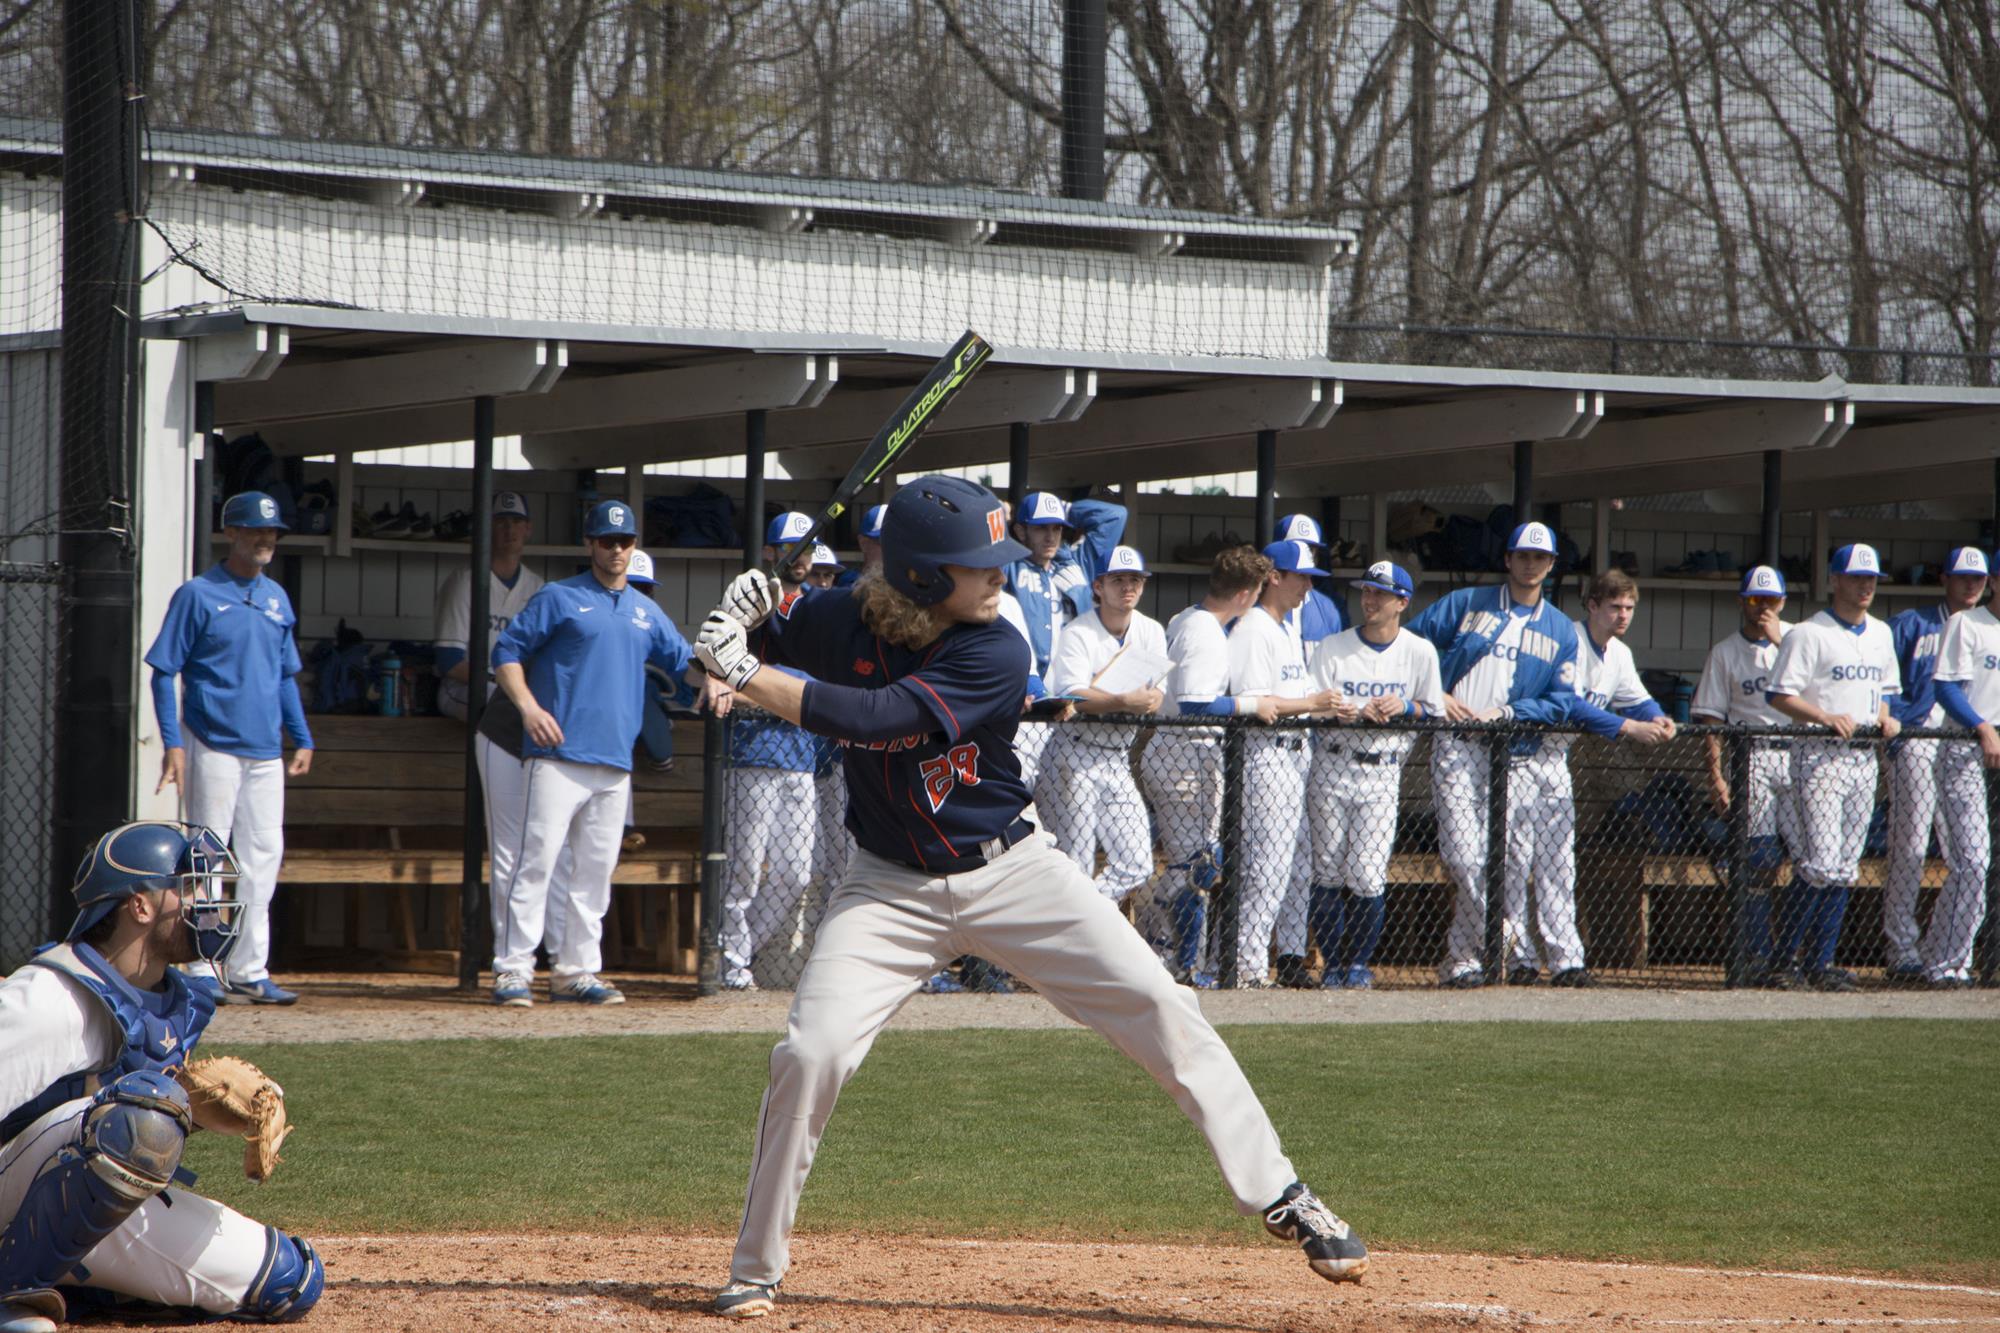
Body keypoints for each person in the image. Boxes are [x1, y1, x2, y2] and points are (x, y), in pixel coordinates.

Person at [692, 476, 1368, 1318]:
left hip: (1015, 871)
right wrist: (750, 610)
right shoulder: (846, 620)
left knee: (1160, 1000)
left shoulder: (997, 645)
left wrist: (745, 663)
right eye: (980, 566)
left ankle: (1281, 1190)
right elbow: (736, 652)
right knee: (808, 1054)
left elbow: (873, 718)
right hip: (887, 886)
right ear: (923, 578)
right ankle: (755, 1267)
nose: (1002, 576)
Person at [0, 822, 323, 1333]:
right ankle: (8, 1295)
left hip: (70, 1202)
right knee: (142, 1114)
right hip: (7, 1187)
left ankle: (71, 1279)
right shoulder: (51, 999)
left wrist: (194, 1109)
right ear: (141, 906)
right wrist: (158, 1107)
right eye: (187, 888)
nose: (202, 904)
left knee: (291, 1281)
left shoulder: (171, 999)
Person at [487, 499, 695, 1007]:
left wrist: (723, 678)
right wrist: (529, 708)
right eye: (607, 540)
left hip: (614, 763)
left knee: (594, 876)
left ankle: (575, 972)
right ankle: (513, 970)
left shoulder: (646, 610)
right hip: (557, 755)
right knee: (535, 865)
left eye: (625, 541)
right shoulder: (559, 596)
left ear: (635, 545)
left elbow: (688, 664)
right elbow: (506, 654)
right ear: (590, 544)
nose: (617, 549)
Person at [144, 490, 312, 1007]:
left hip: (264, 749)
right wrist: (172, 744)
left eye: (271, 532)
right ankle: (202, 964)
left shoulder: (276, 597)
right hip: (210, 740)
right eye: (255, 531)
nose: (265, 539)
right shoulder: (197, 593)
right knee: (208, 856)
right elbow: (163, 671)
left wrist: (301, 735)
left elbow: (286, 677)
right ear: (231, 534)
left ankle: (249, 967)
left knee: (264, 855)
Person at [1406, 522, 1581, 989]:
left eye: (1539, 557)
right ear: (1507, 559)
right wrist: (1435, 694)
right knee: (1464, 856)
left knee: (1504, 863)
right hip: (1458, 746)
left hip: (1516, 755)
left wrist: (1508, 711)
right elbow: (1410, 646)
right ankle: (1507, 934)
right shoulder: (1467, 603)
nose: (1530, 563)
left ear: (1550, 565)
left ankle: (1462, 961)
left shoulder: (1561, 629)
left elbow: (1561, 702)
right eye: (1522, 555)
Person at [1765, 543, 1903, 992]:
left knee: (1845, 865)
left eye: (1872, 578)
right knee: (1820, 862)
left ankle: (1821, 963)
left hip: (1864, 757)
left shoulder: (1881, 632)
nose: (1866, 585)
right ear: (1835, 580)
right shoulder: (1809, 632)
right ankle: (1785, 961)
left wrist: (1885, 714)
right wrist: (1823, 716)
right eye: (1857, 577)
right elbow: (1778, 694)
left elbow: (1886, 688)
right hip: (1820, 754)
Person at [1528, 570, 1676, 986]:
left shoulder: (1619, 653)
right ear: (1592, 605)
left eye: (1629, 608)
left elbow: (1638, 697)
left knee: (1558, 865)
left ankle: (1566, 963)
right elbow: (1570, 706)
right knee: (1514, 864)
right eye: (1614, 607)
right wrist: (1629, 728)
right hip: (1520, 756)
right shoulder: (1568, 638)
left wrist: (1659, 718)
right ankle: (1518, 960)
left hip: (1555, 761)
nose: (1623, 615)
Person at [1304, 561, 1444, 989]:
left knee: (1366, 874)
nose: (1369, 600)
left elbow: (1434, 712)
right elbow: (1310, 706)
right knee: (1326, 869)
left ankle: (1358, 963)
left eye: (1379, 594)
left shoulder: (1419, 651)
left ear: (1402, 602)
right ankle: (1333, 963)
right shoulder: (1333, 645)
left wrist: (1405, 707)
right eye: (1366, 592)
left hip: (1383, 770)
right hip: (1333, 760)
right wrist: (1336, 710)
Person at [1140, 545, 1272, 986]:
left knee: (1193, 865)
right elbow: (1196, 701)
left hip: (1181, 753)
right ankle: (1167, 958)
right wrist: (1254, 703)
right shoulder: (1205, 631)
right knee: (1192, 867)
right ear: (1243, 594)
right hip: (1184, 755)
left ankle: (1167, 956)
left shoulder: (1186, 617)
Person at [717, 516, 824, 991]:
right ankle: (730, 962)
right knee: (743, 868)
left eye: (806, 548)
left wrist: (778, 686)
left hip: (802, 756)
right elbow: (715, 673)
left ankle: (738, 952)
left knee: (795, 875)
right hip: (754, 753)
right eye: (789, 547)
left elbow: (824, 685)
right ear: (768, 551)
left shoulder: (818, 608)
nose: (800, 557)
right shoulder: (747, 605)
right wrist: (784, 689)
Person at [1226, 540, 1339, 987]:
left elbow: (1298, 697)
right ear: (1274, 577)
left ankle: (1290, 957)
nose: (1308, 587)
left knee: (1296, 865)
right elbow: (1256, 701)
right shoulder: (1253, 627)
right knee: (1265, 865)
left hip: (1295, 755)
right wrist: (1312, 702)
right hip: (1263, 753)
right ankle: (1246, 965)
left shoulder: (1286, 627)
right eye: (1301, 577)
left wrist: (1325, 707)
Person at [1882, 548, 1990, 984]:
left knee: (1966, 854)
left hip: (1964, 746)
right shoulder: (1913, 622)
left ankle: (1941, 951)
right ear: (1944, 578)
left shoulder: (1986, 628)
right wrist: (1888, 722)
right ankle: (1902, 948)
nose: (1970, 585)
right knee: (1909, 846)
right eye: (1962, 577)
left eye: (1977, 578)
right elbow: (1881, 677)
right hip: (1917, 740)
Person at [1691, 566, 1800, 988]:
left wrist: (1781, 643)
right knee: (1758, 862)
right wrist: (1717, 777)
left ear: (1783, 603)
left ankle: (1792, 957)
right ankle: (1756, 957)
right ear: (1742, 602)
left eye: (1771, 601)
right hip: (1751, 757)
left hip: (1799, 756)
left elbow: (1821, 699)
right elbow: (1711, 721)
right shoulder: (1725, 652)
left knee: (1812, 862)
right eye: (1756, 601)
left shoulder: (1799, 642)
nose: (1763, 609)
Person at [1041, 545, 1167, 906]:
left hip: (1117, 756)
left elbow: (1159, 691)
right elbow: (1072, 697)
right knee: (1075, 863)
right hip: (1074, 753)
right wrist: (1121, 701)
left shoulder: (1151, 630)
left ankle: (1084, 916)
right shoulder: (1079, 632)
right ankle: (1073, 936)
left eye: (1135, 580)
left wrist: (1148, 698)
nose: (1128, 587)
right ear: (1098, 586)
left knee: (1138, 863)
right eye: (1118, 580)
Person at [1004, 491, 1127, 794]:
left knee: (1064, 799)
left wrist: (1064, 510)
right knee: (1022, 787)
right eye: (1040, 527)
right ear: (1020, 531)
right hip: (1030, 703)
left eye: (1056, 528)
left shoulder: (1076, 562)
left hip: (1073, 703)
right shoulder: (1010, 566)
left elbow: (1115, 516)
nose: (1050, 536)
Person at [1927, 550, 2000, 988]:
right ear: (1995, 579)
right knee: (1973, 861)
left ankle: (1950, 958)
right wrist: (1982, 727)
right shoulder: (1967, 624)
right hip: (1967, 747)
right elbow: (1944, 687)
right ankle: (1948, 963)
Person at [433, 490, 545, 723]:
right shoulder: (465, 581)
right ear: (486, 528)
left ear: (528, 529)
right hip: (462, 687)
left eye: (516, 521)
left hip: (515, 689)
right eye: (500, 522)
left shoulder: (537, 587)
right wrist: (507, 686)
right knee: (506, 707)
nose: (509, 529)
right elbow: (449, 662)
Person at [1273, 513, 1347, 647]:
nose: (1303, 553)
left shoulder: (1328, 609)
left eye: (1310, 549)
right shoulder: (1248, 606)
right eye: (1296, 547)